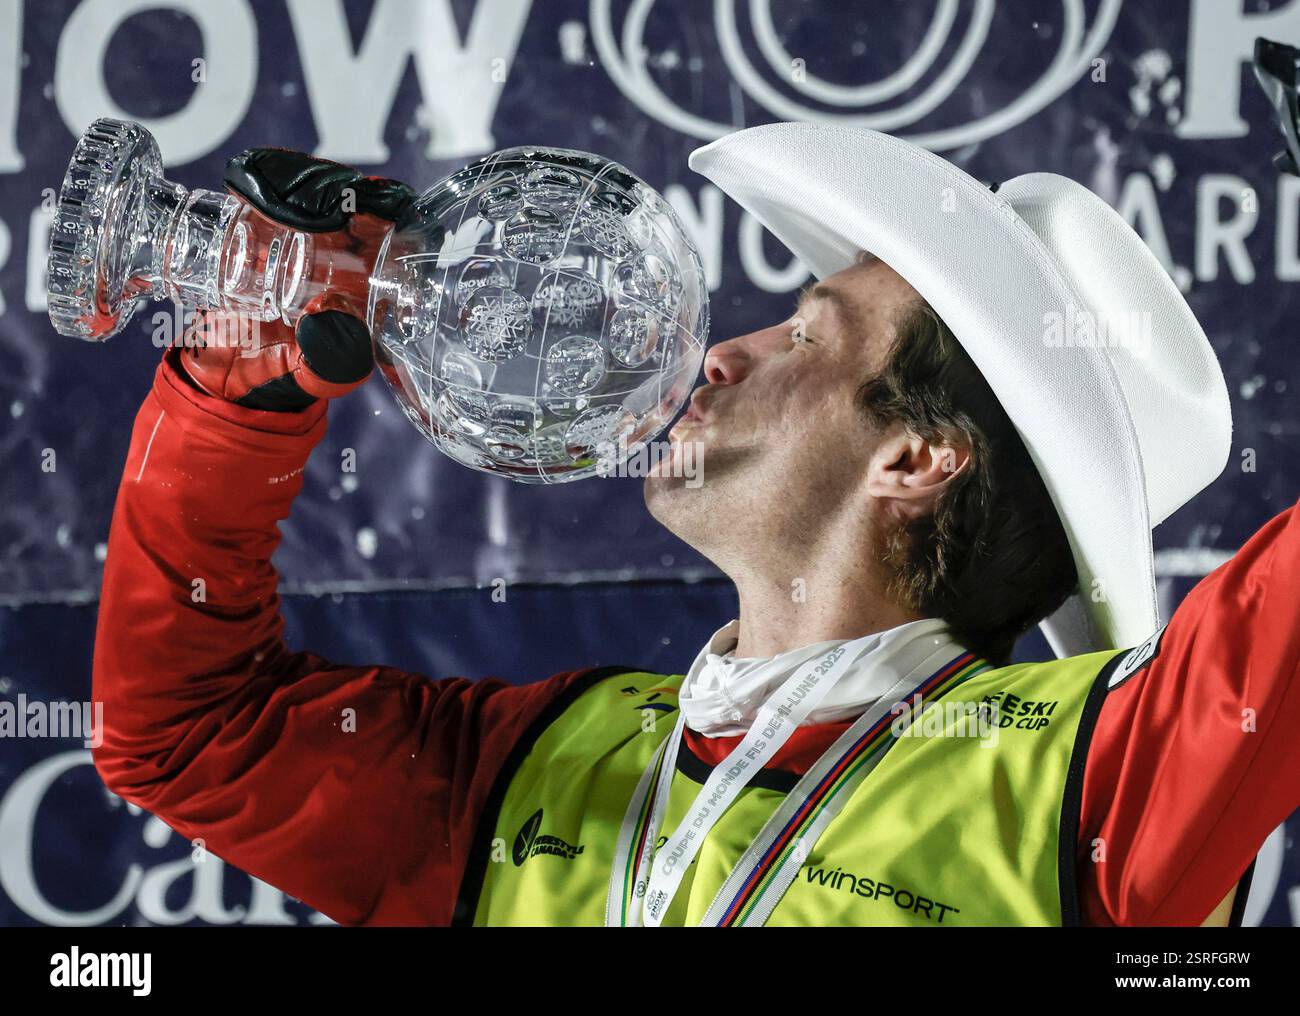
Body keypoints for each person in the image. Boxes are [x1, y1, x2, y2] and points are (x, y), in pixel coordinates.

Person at [89, 126, 1300, 927]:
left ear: (918, 457)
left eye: (807, 334)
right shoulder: (547, 758)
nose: (722, 352)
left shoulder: (1081, 782)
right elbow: (184, 733)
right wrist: (241, 390)